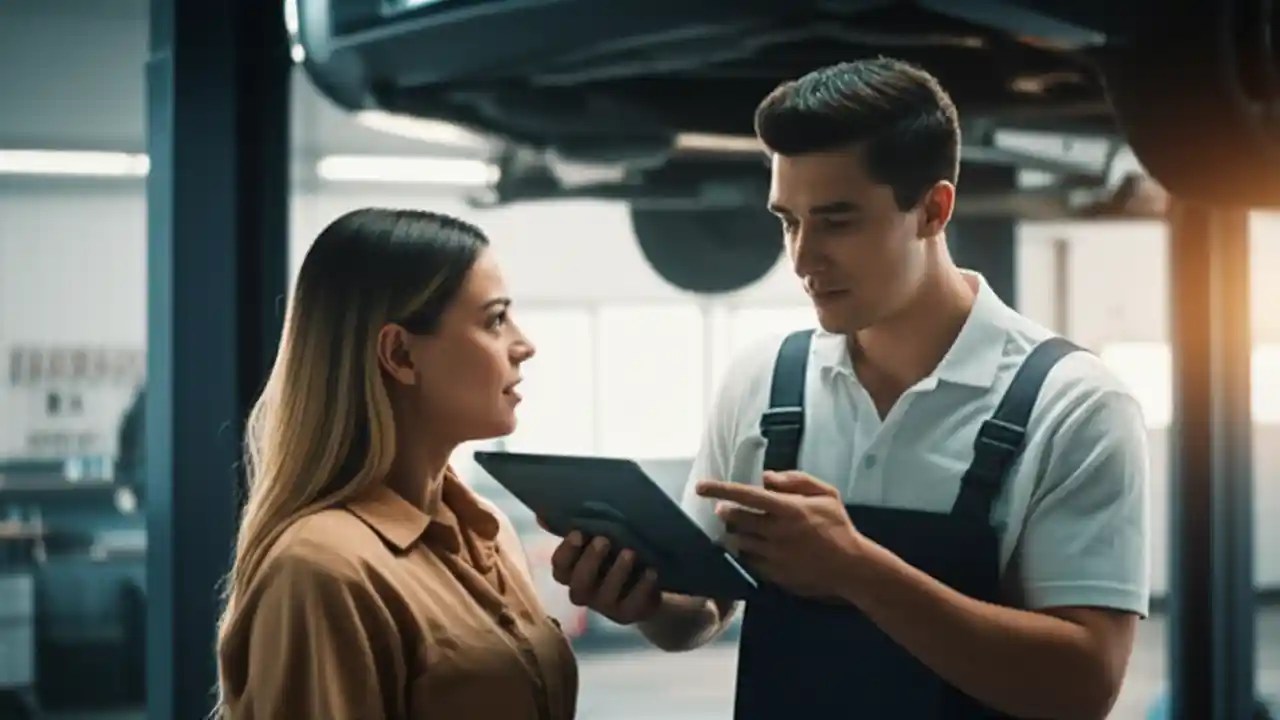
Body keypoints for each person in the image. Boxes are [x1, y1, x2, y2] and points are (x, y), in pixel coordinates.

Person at [549, 58, 1150, 719]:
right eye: (788, 221)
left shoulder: (1074, 407)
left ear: (932, 209)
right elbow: (703, 611)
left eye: (838, 221)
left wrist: (858, 571)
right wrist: (646, 601)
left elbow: (1084, 685)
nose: (803, 259)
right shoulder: (763, 383)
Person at [215, 208, 577, 719]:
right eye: (495, 319)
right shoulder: (324, 570)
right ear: (401, 355)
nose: (524, 345)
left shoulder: (489, 534)